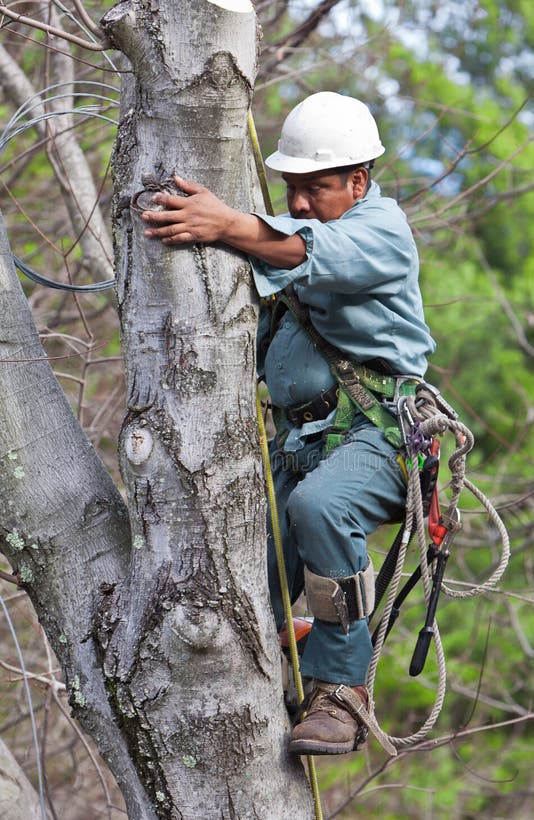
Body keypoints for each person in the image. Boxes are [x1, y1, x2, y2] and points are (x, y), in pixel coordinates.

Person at [142, 91, 436, 755]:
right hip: (303, 440)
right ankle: (274, 649)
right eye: (291, 187)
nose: (301, 201)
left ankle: (342, 689)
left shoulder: (380, 230)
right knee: (233, 549)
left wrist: (222, 223)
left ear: (358, 181)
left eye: (318, 186)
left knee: (320, 508)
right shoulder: (295, 232)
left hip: (380, 435)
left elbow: (302, 249)